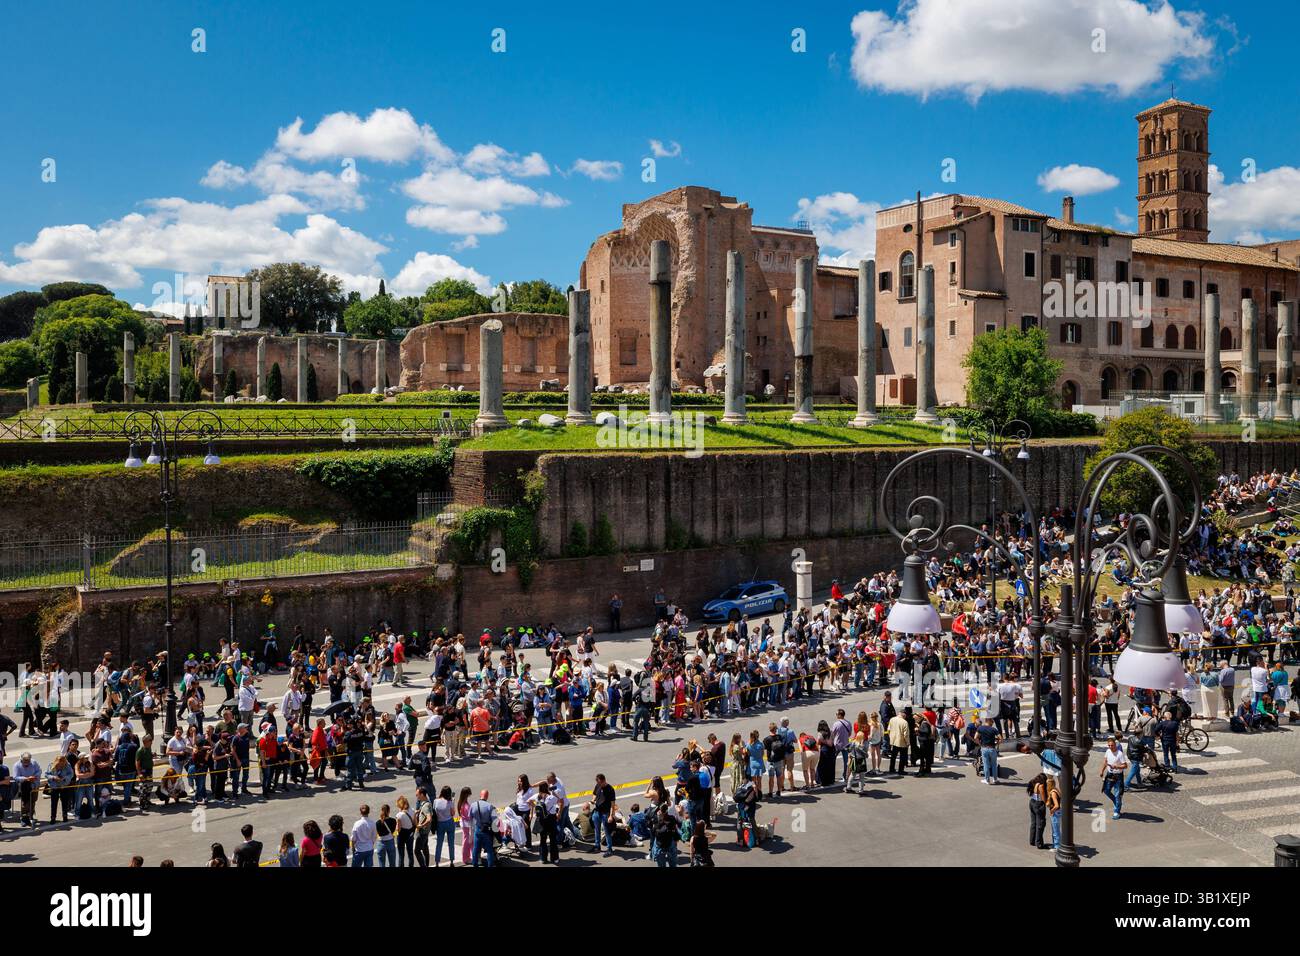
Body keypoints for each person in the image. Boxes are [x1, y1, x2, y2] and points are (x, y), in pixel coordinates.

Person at [1100, 735, 1129, 820]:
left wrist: (1117, 767)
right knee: (1106, 790)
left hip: (1118, 776)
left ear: (1115, 745)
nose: (1110, 747)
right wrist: (1101, 771)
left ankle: (1117, 811)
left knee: (1117, 794)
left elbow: (1125, 766)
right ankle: (1117, 803)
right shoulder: (1108, 751)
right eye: (1109, 745)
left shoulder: (1120, 754)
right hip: (1109, 774)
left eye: (1112, 745)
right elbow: (1105, 761)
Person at [468, 789, 498, 867]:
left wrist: (470, 832)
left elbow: (469, 819)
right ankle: (490, 865)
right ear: (487, 796)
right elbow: (495, 821)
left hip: (477, 830)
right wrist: (496, 833)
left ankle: (475, 864)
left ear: (480, 795)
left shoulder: (473, 805)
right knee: (489, 850)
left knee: (476, 849)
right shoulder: (490, 806)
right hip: (487, 831)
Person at [975, 717, 1000, 784]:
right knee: (994, 765)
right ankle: (995, 779)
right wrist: (996, 744)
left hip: (984, 748)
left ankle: (987, 780)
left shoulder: (980, 728)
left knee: (986, 765)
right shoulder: (994, 729)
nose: (993, 723)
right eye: (992, 721)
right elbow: (1000, 739)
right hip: (992, 748)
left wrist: (980, 744)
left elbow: (975, 737)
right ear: (988, 721)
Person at [1027, 772, 1048, 848]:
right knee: (1040, 824)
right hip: (1039, 804)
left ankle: (1032, 840)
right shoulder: (1041, 786)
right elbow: (1043, 798)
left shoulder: (1033, 782)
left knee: (1034, 822)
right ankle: (1039, 843)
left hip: (1032, 802)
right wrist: (1048, 803)